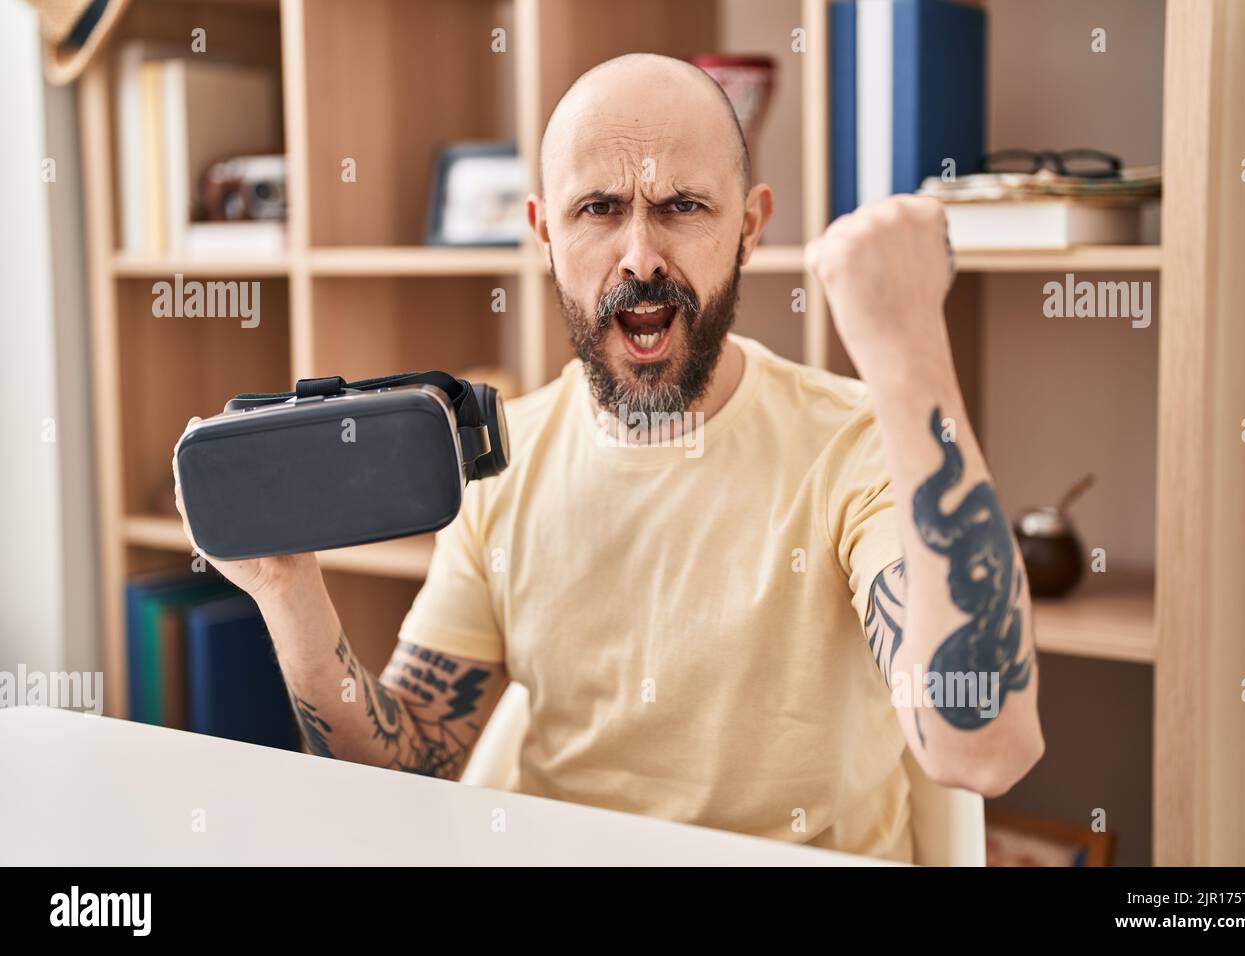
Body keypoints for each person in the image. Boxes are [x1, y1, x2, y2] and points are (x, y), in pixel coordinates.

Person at [173, 53, 1043, 861]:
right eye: (598, 209)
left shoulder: (859, 445)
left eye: (682, 207)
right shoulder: (497, 463)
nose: (640, 256)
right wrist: (287, 594)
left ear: (750, 228)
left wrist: (909, 350)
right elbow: (407, 771)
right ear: (544, 233)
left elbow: (987, 745)